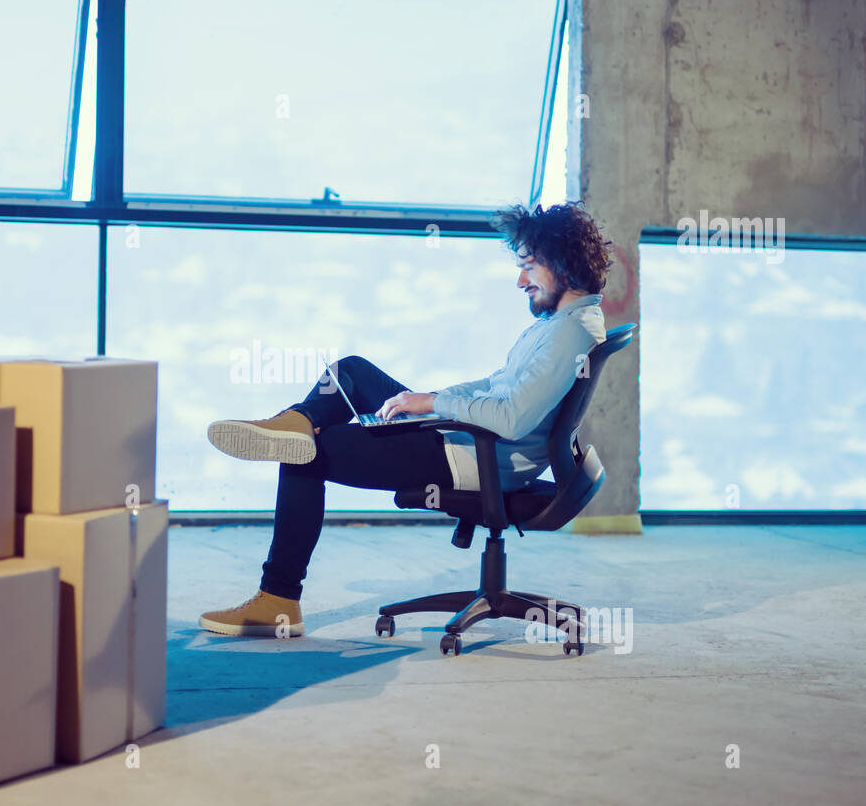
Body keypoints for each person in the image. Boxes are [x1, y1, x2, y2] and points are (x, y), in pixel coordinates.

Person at [199, 201, 614, 638]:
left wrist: (433, 404)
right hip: (468, 444)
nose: (520, 280)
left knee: (308, 455)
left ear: (561, 261)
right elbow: (498, 384)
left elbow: (510, 419)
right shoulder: (564, 323)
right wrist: (429, 400)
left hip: (474, 459)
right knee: (352, 371)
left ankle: (278, 599)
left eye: (528, 266)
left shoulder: (570, 332)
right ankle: (296, 420)